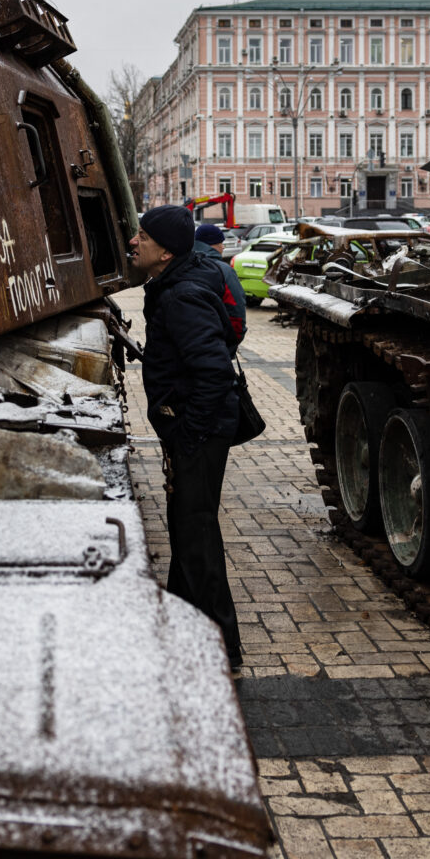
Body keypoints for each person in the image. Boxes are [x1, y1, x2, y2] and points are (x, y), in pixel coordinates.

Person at [130, 205, 243, 670]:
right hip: (197, 426)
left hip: (201, 429)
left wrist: (188, 433)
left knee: (197, 533)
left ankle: (221, 645)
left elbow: (215, 372)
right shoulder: (177, 281)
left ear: (165, 252)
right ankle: (178, 622)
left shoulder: (181, 296)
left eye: (143, 237)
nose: (134, 242)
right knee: (185, 525)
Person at [193, 223, 247, 346]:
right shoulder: (224, 271)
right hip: (214, 345)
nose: (223, 248)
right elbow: (236, 310)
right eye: (221, 244)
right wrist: (231, 342)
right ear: (212, 245)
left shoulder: (181, 265)